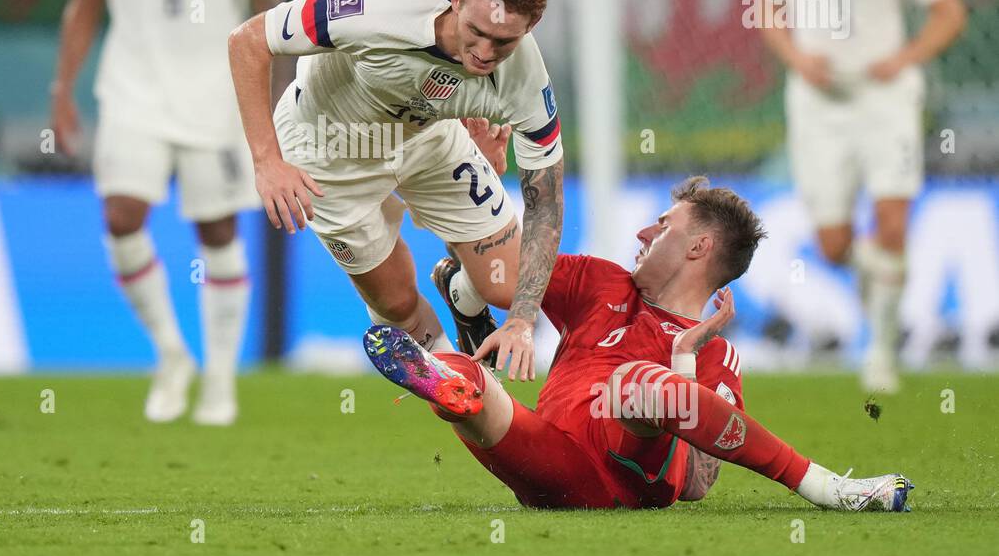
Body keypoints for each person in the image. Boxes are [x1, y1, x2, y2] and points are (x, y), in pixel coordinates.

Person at [366, 174, 913, 513]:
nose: (642, 234)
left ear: (699, 247)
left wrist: (681, 364)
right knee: (474, 393)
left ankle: (825, 488)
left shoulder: (714, 353)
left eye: (662, 225)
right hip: (555, 464)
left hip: (631, 477)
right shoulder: (598, 281)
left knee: (636, 386)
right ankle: (454, 371)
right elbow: (501, 267)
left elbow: (697, 484)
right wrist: (473, 169)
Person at [52, 0, 285, 425]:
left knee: (216, 230)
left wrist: (285, 90)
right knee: (122, 217)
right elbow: (83, 5)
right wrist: (62, 86)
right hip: (131, 89)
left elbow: (272, 7)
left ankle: (218, 380)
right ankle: (169, 353)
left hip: (219, 95)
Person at [228, 0, 565, 381]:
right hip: (328, 151)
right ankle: (469, 391)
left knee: (509, 286)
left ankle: (463, 294)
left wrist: (522, 320)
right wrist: (267, 160)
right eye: (477, 33)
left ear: (532, 23)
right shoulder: (375, 6)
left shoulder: (526, 76)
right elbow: (248, 40)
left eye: (502, 42)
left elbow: (547, 200)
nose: (484, 53)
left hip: (427, 140)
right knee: (397, 305)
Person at [758, 0, 968, 392]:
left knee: (893, 220)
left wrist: (904, 59)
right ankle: (884, 273)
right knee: (831, 244)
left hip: (887, 97)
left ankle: (880, 351)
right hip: (818, 100)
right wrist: (797, 59)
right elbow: (767, 9)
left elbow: (949, 11)